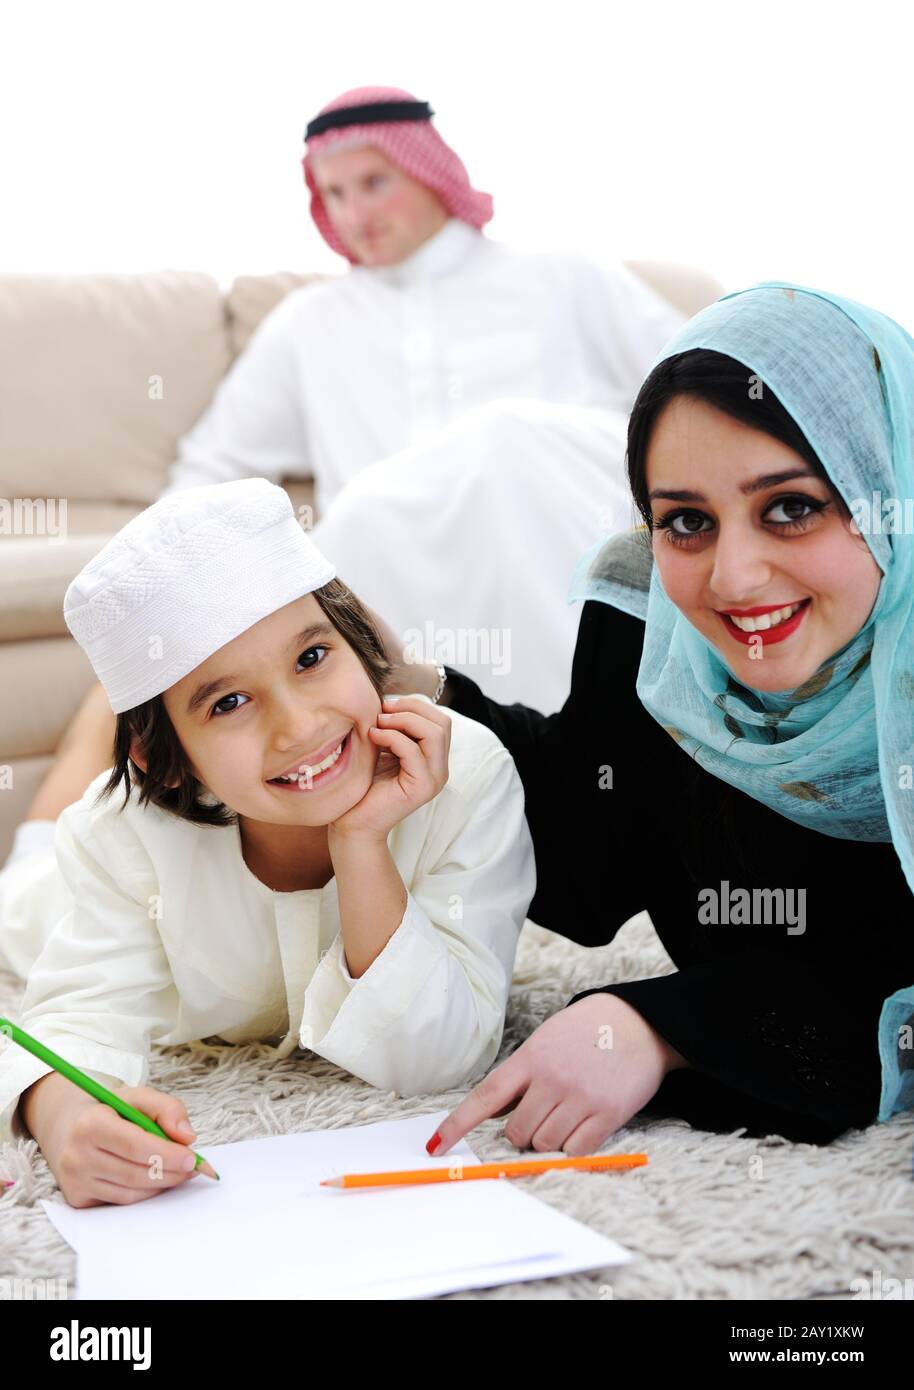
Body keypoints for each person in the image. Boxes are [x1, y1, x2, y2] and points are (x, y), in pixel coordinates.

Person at [369, 281, 914, 1155]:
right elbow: (589, 843)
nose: (734, 578)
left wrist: (661, 1026)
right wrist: (407, 686)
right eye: (688, 520)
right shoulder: (649, 616)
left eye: (791, 507)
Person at [0, 479, 535, 1207]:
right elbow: (73, 1016)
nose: (299, 726)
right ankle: (111, 720)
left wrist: (361, 844)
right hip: (44, 893)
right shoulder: (115, 842)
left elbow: (441, 1055)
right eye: (228, 702)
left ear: (363, 643)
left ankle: (135, 706)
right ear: (168, 763)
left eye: (312, 658)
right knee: (30, 858)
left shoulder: (467, 776)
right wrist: (63, 1119)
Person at [161, 85, 687, 707]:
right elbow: (212, 470)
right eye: (335, 193)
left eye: (373, 183)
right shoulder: (309, 322)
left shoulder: (562, 274)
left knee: (504, 441)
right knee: (350, 528)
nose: (355, 213)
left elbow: (696, 381)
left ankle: (596, 730)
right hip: (391, 548)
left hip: (557, 509)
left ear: (428, 172)